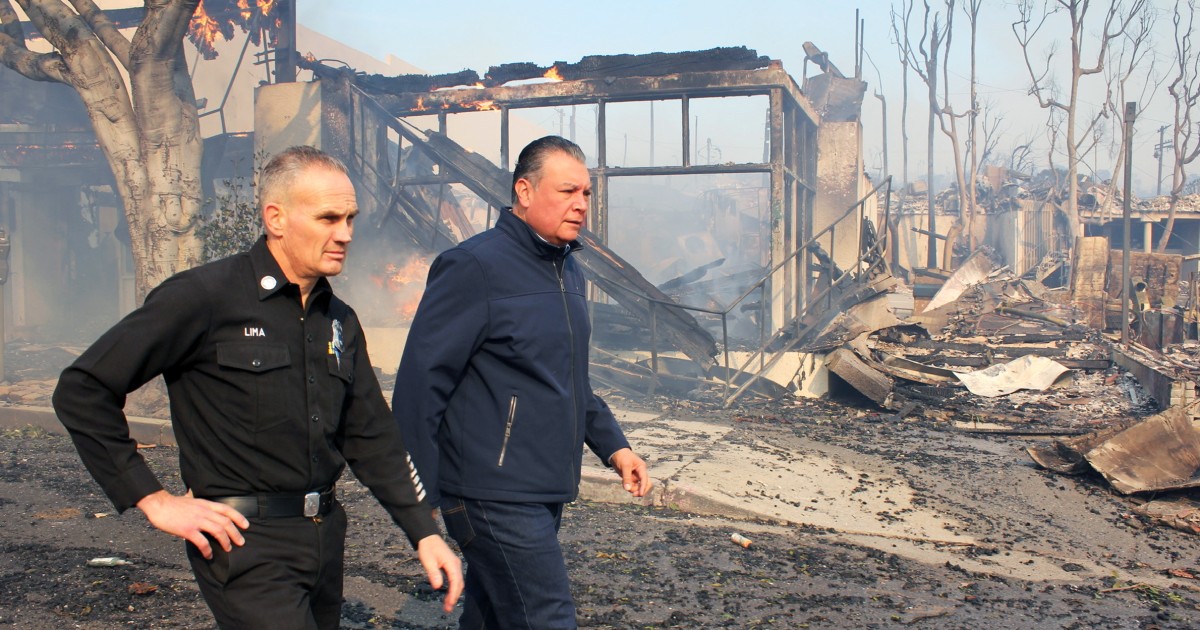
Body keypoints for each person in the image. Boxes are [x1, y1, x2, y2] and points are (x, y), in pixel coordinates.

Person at [52, 145, 462, 629]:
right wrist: (153, 499)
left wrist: (424, 532)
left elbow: (372, 437)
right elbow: (83, 387)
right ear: (276, 218)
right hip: (243, 543)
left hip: (325, 536)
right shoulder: (205, 297)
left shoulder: (340, 321)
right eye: (329, 218)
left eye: (350, 218)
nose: (345, 234)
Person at [392, 135, 652, 629]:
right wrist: (418, 500)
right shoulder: (473, 266)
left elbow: (571, 378)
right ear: (525, 191)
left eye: (587, 194)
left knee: (491, 615)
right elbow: (420, 387)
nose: (580, 204)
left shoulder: (569, 270)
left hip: (543, 484)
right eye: (567, 191)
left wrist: (615, 448)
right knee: (546, 617)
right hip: (489, 489)